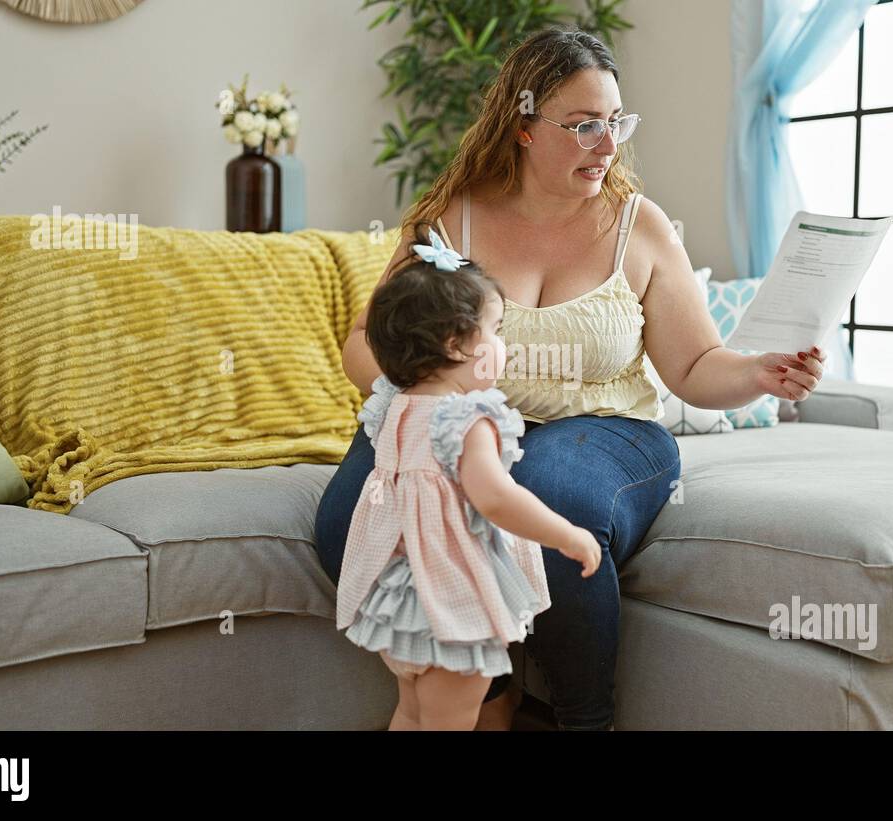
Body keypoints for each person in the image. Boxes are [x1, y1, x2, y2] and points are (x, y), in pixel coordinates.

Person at [317, 25, 827, 731]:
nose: (608, 144)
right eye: (586, 125)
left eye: (615, 123)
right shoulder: (450, 220)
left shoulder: (639, 226)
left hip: (608, 432)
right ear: (524, 126)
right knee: (350, 516)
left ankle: (587, 719)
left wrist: (760, 373)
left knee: (549, 497)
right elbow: (363, 346)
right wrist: (434, 384)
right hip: (463, 421)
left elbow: (695, 368)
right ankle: (489, 694)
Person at [336, 224, 601, 730]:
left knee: (411, 715)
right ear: (458, 344)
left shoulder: (394, 408)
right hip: (452, 602)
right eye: (496, 330)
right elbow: (496, 499)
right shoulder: (466, 420)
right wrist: (566, 534)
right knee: (449, 722)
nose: (502, 345)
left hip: (400, 596)